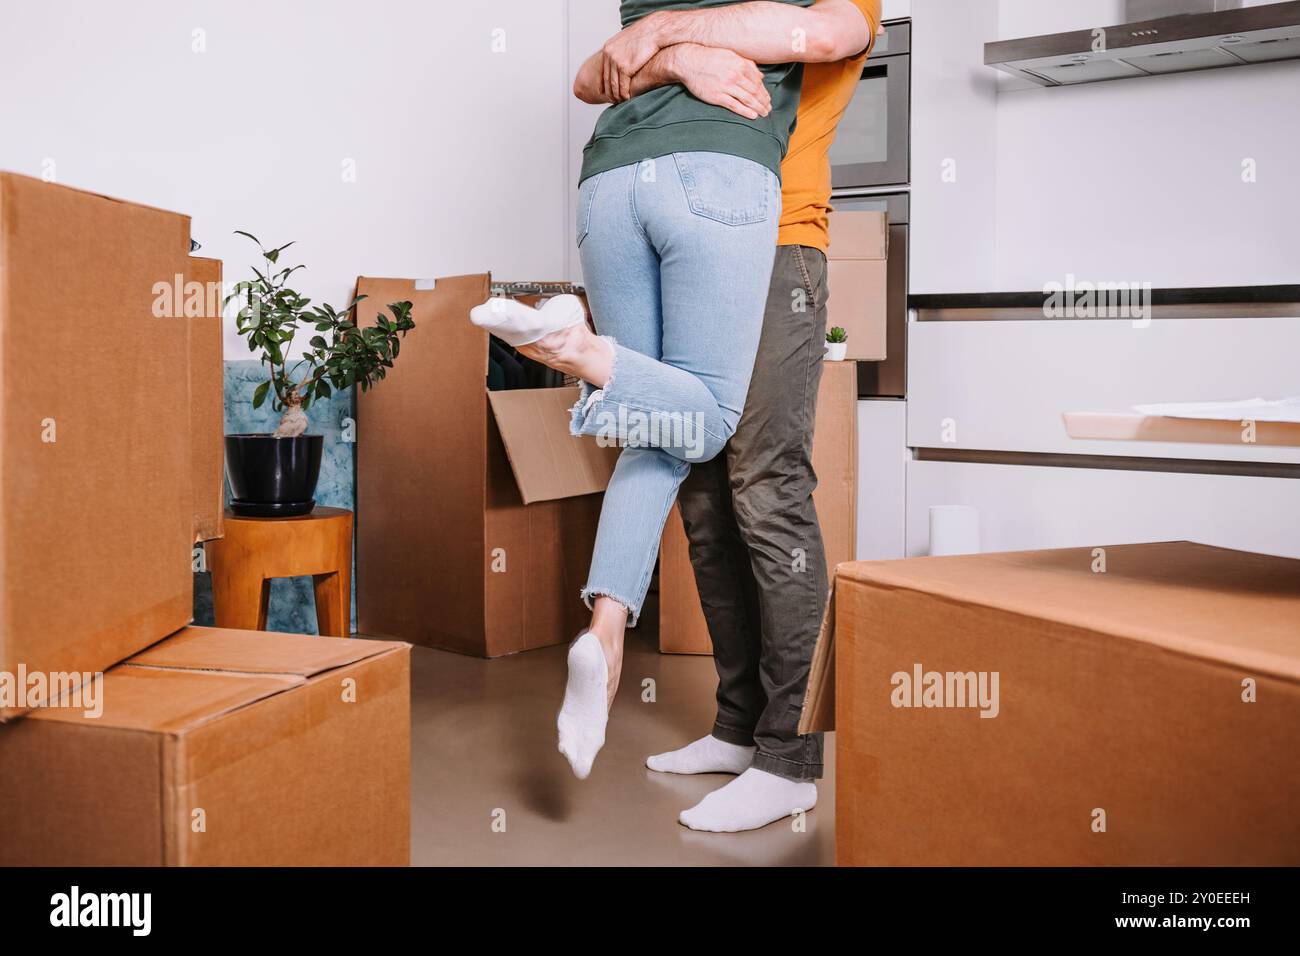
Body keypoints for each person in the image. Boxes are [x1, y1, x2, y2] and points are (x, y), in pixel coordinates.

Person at [593, 0, 881, 833]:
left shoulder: (824, 8)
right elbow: (604, 73)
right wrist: (668, 48)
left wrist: (656, 34)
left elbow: (824, 37)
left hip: (780, 241)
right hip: (697, 240)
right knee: (705, 494)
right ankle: (736, 724)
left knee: (766, 481)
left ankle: (790, 759)